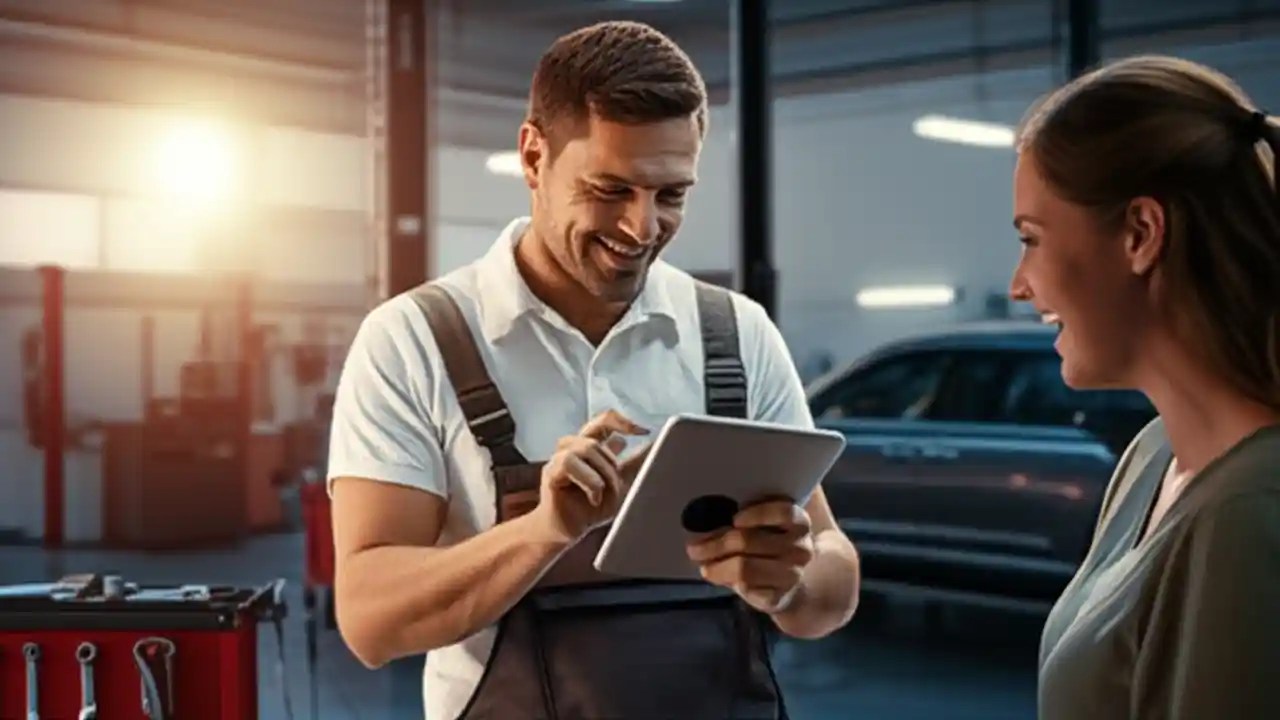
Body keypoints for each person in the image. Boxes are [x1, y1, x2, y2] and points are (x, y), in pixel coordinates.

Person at [326, 20, 861, 720]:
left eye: (671, 194)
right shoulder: (413, 341)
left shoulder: (736, 336)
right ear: (532, 157)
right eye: (611, 189)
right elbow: (369, 621)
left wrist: (789, 582)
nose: (642, 228)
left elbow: (832, 574)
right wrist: (545, 530)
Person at [1010, 54, 1280, 720]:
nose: (1020, 285)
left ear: (1141, 233)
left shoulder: (1250, 514)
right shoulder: (1152, 455)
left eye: (1032, 239)